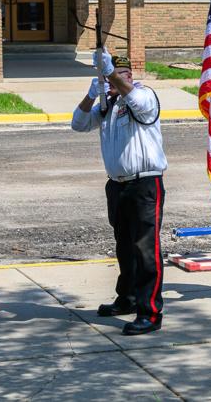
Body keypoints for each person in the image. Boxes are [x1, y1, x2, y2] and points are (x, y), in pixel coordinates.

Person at [72, 50, 168, 335]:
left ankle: (150, 312)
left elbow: (136, 100)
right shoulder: (108, 104)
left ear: (130, 76)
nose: (113, 81)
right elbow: (78, 124)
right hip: (117, 185)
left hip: (144, 184)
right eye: (108, 76)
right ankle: (127, 298)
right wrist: (92, 95)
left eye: (120, 75)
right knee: (124, 246)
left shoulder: (144, 96)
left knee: (145, 249)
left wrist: (111, 73)